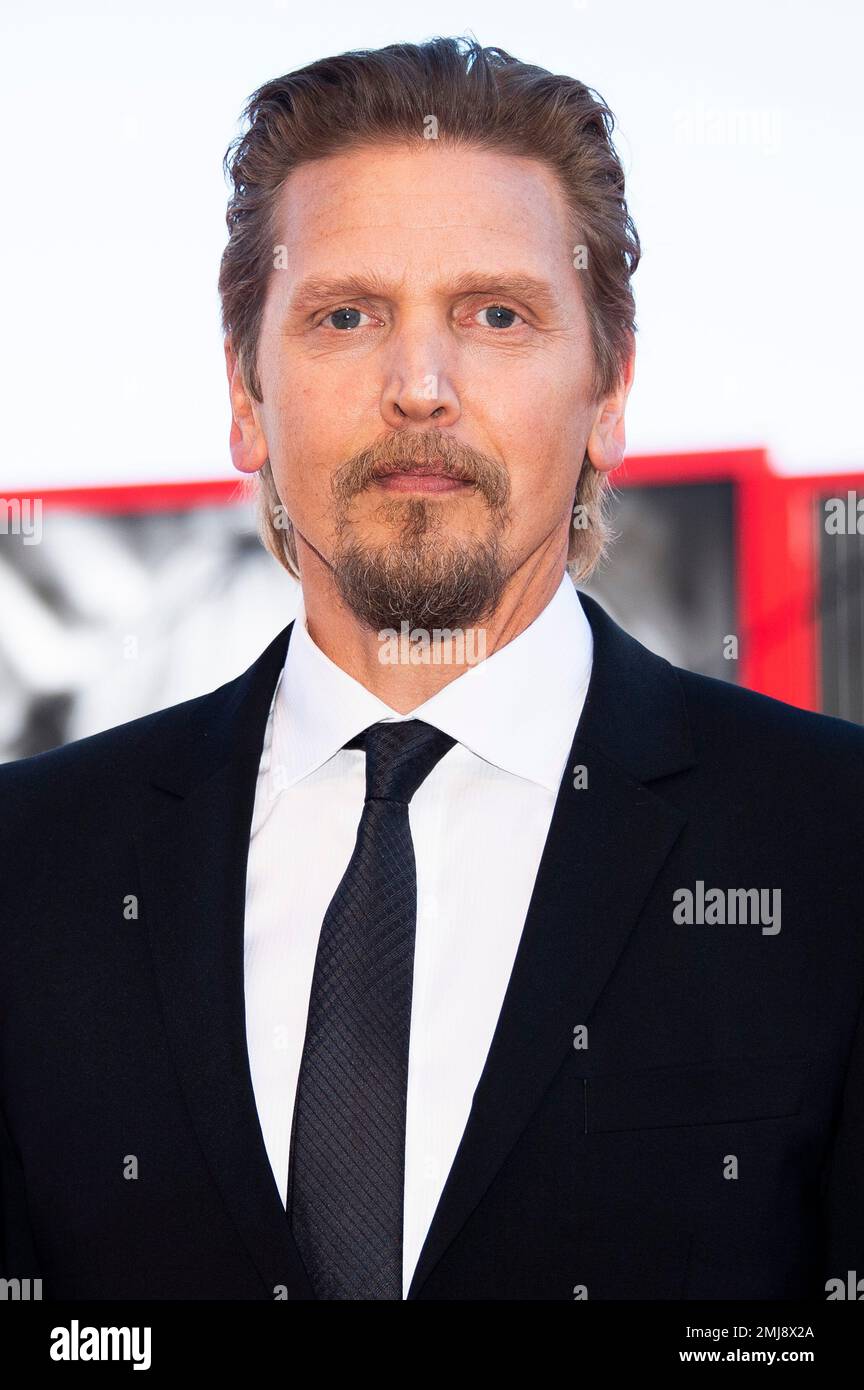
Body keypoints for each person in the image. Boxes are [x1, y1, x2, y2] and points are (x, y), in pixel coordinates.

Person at [1, 36, 862, 1302]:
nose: (419, 386)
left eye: (495, 315)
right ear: (245, 394)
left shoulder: (833, 844)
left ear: (609, 391)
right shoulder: (28, 869)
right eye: (347, 315)